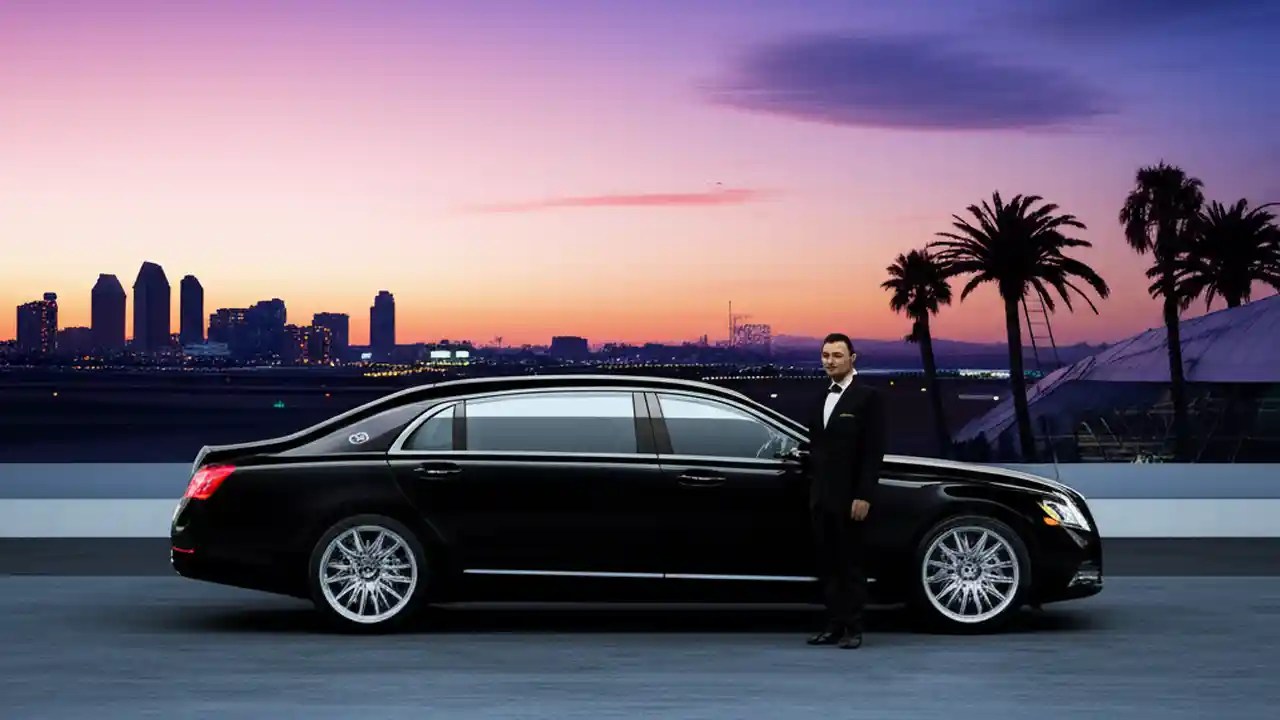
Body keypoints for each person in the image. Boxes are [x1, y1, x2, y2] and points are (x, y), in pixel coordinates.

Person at [803, 332, 886, 649]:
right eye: (825, 355)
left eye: (837, 355)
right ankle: (834, 625)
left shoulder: (867, 397)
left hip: (851, 497)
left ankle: (854, 628)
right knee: (828, 564)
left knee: (850, 564)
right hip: (821, 497)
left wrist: (864, 494)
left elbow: (873, 451)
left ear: (853, 358)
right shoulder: (820, 398)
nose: (830, 361)